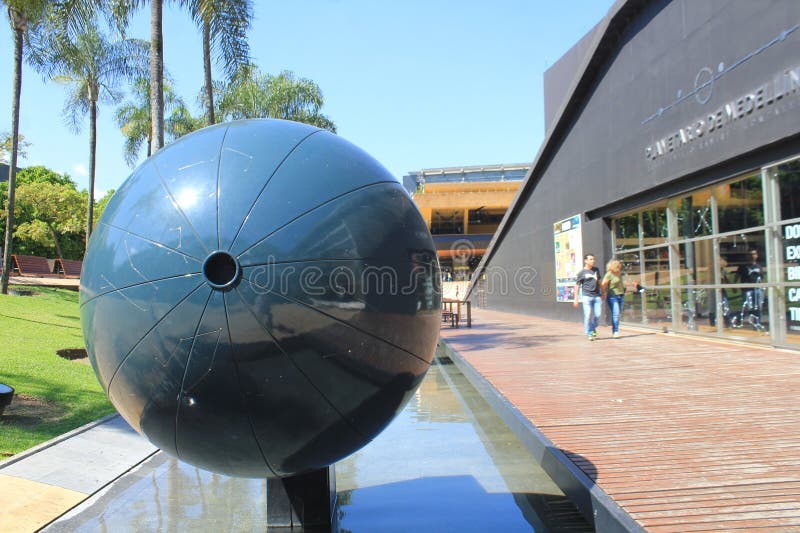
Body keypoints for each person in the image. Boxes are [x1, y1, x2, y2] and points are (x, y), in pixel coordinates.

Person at [573, 253, 603, 340]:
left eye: (593, 259)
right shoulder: (581, 273)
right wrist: (576, 299)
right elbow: (577, 286)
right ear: (585, 261)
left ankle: (592, 328)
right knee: (588, 315)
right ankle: (589, 332)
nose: (593, 261)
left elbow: (599, 282)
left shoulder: (596, 270)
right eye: (590, 259)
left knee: (598, 315)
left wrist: (604, 292)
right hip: (586, 297)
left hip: (597, 296)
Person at [736, 248, 765, 328]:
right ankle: (738, 319)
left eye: (754, 254)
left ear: (757, 255)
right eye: (750, 254)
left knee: (758, 307)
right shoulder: (743, 267)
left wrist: (763, 288)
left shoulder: (759, 266)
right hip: (747, 290)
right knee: (748, 307)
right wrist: (734, 286)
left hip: (757, 289)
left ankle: (758, 323)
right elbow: (737, 277)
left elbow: (762, 278)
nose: (752, 256)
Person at [601, 258, 625, 338]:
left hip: (621, 295)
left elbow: (621, 284)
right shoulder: (609, 274)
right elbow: (604, 285)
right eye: (619, 265)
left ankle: (615, 329)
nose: (620, 266)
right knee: (616, 313)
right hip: (612, 296)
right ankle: (615, 331)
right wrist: (603, 293)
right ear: (615, 265)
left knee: (618, 314)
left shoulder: (619, 273)